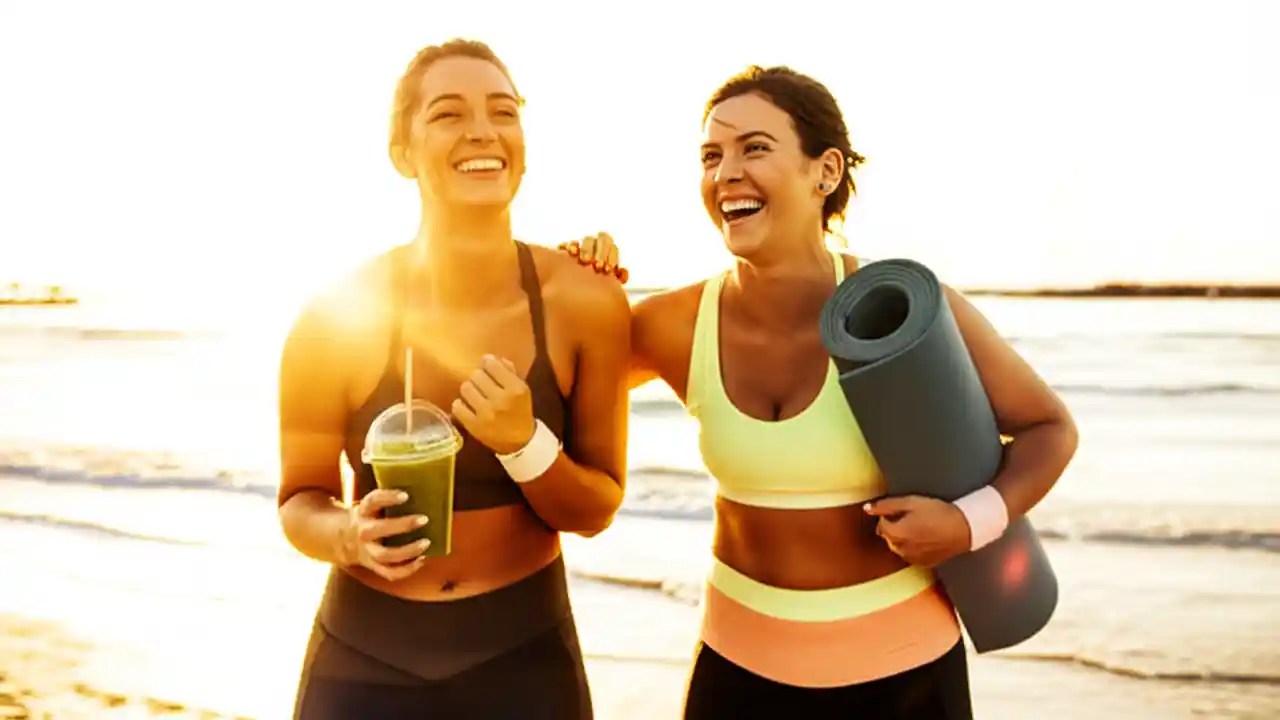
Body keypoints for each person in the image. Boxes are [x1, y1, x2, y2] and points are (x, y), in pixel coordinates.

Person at [563, 65, 1079, 718]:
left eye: (755, 148)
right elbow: (557, 374)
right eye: (711, 156)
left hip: (908, 681)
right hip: (735, 678)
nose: (726, 173)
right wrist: (577, 288)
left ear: (825, 171)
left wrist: (967, 524)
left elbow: (1048, 429)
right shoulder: (674, 324)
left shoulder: (905, 310)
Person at [276, 38, 631, 720]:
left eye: (503, 111)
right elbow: (300, 499)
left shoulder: (585, 301)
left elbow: (594, 511)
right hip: (363, 660)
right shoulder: (336, 316)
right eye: (447, 114)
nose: (482, 131)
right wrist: (345, 533)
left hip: (525, 659)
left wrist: (523, 443)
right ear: (403, 152)